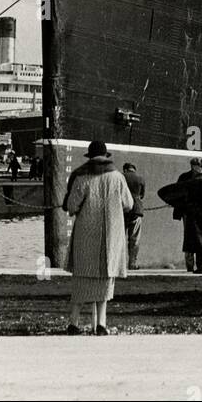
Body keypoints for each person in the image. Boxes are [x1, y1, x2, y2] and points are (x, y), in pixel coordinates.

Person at [64, 140, 134, 335]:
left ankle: (74, 322)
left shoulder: (82, 177)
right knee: (105, 279)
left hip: (86, 235)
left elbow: (71, 206)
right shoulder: (118, 177)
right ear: (106, 155)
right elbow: (128, 204)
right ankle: (102, 324)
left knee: (81, 278)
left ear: (89, 156)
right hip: (110, 236)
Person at [122, 162, 146, 270]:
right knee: (134, 239)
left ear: (125, 169)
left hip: (123, 210)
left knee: (120, 238)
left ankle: (119, 263)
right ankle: (132, 263)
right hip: (137, 210)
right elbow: (142, 195)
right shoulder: (140, 179)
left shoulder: (122, 177)